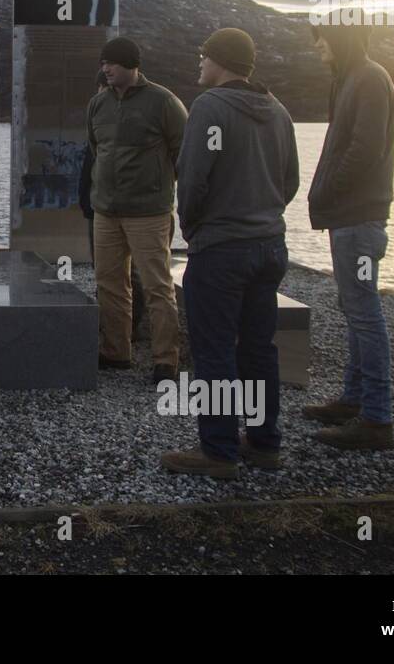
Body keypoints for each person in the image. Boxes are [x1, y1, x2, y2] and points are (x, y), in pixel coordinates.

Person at [162, 27, 300, 479]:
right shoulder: (278, 110)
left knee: (215, 349)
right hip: (270, 246)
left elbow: (194, 177)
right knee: (260, 348)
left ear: (219, 59)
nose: (199, 63)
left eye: (203, 56)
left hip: (221, 249)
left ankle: (218, 451)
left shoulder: (210, 107)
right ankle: (264, 443)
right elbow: (290, 180)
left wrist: (193, 226)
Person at [304, 22, 394, 451]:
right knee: (354, 306)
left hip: (358, 219)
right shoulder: (351, 79)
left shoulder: (369, 79)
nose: (318, 45)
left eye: (322, 37)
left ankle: (377, 420)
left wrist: (328, 189)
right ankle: (353, 400)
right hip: (348, 217)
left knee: (364, 310)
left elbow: (366, 149)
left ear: (340, 38)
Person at [86, 36, 187, 382]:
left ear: (131, 64)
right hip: (106, 211)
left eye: (111, 63)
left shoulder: (163, 102)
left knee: (158, 286)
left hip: (149, 213)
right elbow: (96, 150)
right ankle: (116, 352)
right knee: (109, 282)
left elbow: (183, 154)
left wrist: (163, 190)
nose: (105, 69)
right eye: (103, 64)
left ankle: (165, 361)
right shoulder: (97, 105)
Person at [78, 68, 149, 344]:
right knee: (105, 270)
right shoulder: (99, 121)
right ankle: (110, 325)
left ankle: (131, 327)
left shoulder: (124, 125)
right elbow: (90, 169)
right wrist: (85, 201)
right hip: (97, 207)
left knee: (127, 270)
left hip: (117, 209)